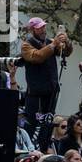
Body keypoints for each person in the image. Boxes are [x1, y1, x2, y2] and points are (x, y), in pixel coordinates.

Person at [19, 18, 72, 152]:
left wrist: (66, 41)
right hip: (36, 92)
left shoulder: (49, 43)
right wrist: (53, 44)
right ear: (32, 30)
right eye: (39, 28)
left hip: (51, 90)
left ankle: (44, 148)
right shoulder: (26, 45)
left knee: (48, 122)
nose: (43, 30)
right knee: (34, 123)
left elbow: (65, 52)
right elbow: (37, 57)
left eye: (43, 27)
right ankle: (31, 151)